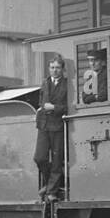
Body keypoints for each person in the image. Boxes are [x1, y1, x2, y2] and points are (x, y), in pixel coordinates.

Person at [35, 56, 69, 201]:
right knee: (39, 157)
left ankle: (51, 191)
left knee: (56, 161)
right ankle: (50, 184)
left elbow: (69, 107)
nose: (54, 71)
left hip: (58, 126)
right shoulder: (45, 82)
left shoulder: (68, 85)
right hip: (43, 124)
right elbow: (41, 102)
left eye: (57, 68)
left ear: (62, 69)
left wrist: (54, 108)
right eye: (52, 68)